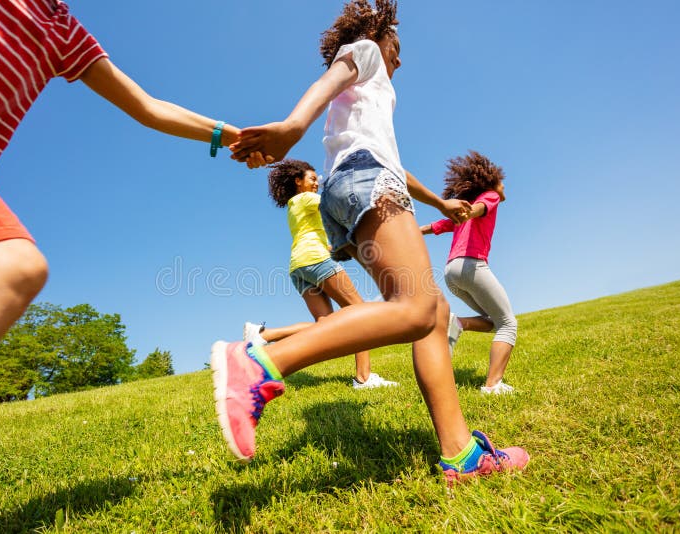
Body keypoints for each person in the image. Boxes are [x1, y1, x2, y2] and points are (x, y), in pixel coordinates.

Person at [0, 0, 268, 469]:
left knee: (8, 271)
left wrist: (232, 135)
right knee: (7, 269)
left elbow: (148, 107)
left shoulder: (62, 30)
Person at [211, 0, 529, 482]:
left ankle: (461, 453)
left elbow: (392, 164)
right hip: (368, 183)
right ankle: (262, 362)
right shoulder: (366, 52)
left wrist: (440, 204)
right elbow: (334, 78)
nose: (399, 56)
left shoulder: (367, 107)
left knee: (433, 313)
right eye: (396, 44)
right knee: (416, 308)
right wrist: (292, 128)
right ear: (378, 35)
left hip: (359, 184)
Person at [243, 158, 398, 390]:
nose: (317, 183)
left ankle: (266, 334)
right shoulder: (305, 198)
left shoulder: (294, 206)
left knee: (325, 324)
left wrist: (333, 245)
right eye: (313, 179)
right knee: (359, 312)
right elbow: (334, 202)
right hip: (315, 260)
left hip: (299, 266)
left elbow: (312, 231)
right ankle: (364, 378)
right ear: (298, 181)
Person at [420, 151, 517, 395]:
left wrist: (414, 230)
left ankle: (458, 323)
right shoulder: (490, 195)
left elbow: (439, 225)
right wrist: (471, 212)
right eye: (502, 181)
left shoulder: (463, 209)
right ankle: (493, 385)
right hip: (471, 266)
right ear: (491, 181)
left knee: (494, 321)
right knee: (508, 324)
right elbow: (481, 208)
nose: (504, 186)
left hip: (452, 272)